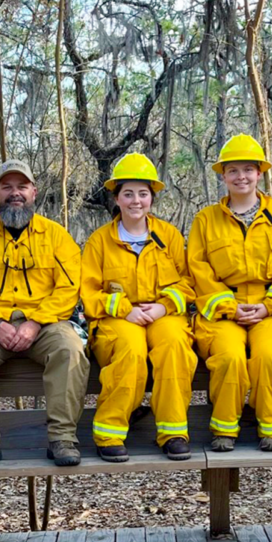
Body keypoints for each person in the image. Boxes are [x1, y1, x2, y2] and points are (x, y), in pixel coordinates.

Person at [0, 160, 89, 470]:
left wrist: (37, 321)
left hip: (45, 323)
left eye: (22, 187)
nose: (15, 193)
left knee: (70, 348)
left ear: (34, 192)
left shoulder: (56, 236)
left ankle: (62, 438)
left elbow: (69, 286)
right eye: (8, 187)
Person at [188, 135, 272, 453]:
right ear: (223, 176)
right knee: (229, 357)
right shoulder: (205, 220)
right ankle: (224, 430)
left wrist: (269, 306)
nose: (241, 177)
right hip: (224, 310)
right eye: (233, 170)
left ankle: (271, 430)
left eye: (248, 170)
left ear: (260, 174)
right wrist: (228, 307)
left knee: (269, 355)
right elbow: (198, 269)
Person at [81, 153, 197, 462]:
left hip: (164, 315)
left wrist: (162, 308)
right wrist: (123, 309)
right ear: (116, 198)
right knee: (130, 348)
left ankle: (173, 432)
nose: (136, 201)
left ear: (152, 198)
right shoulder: (99, 242)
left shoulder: (169, 236)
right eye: (128, 194)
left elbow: (188, 282)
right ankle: (109, 433)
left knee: (174, 344)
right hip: (117, 319)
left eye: (143, 194)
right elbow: (87, 293)